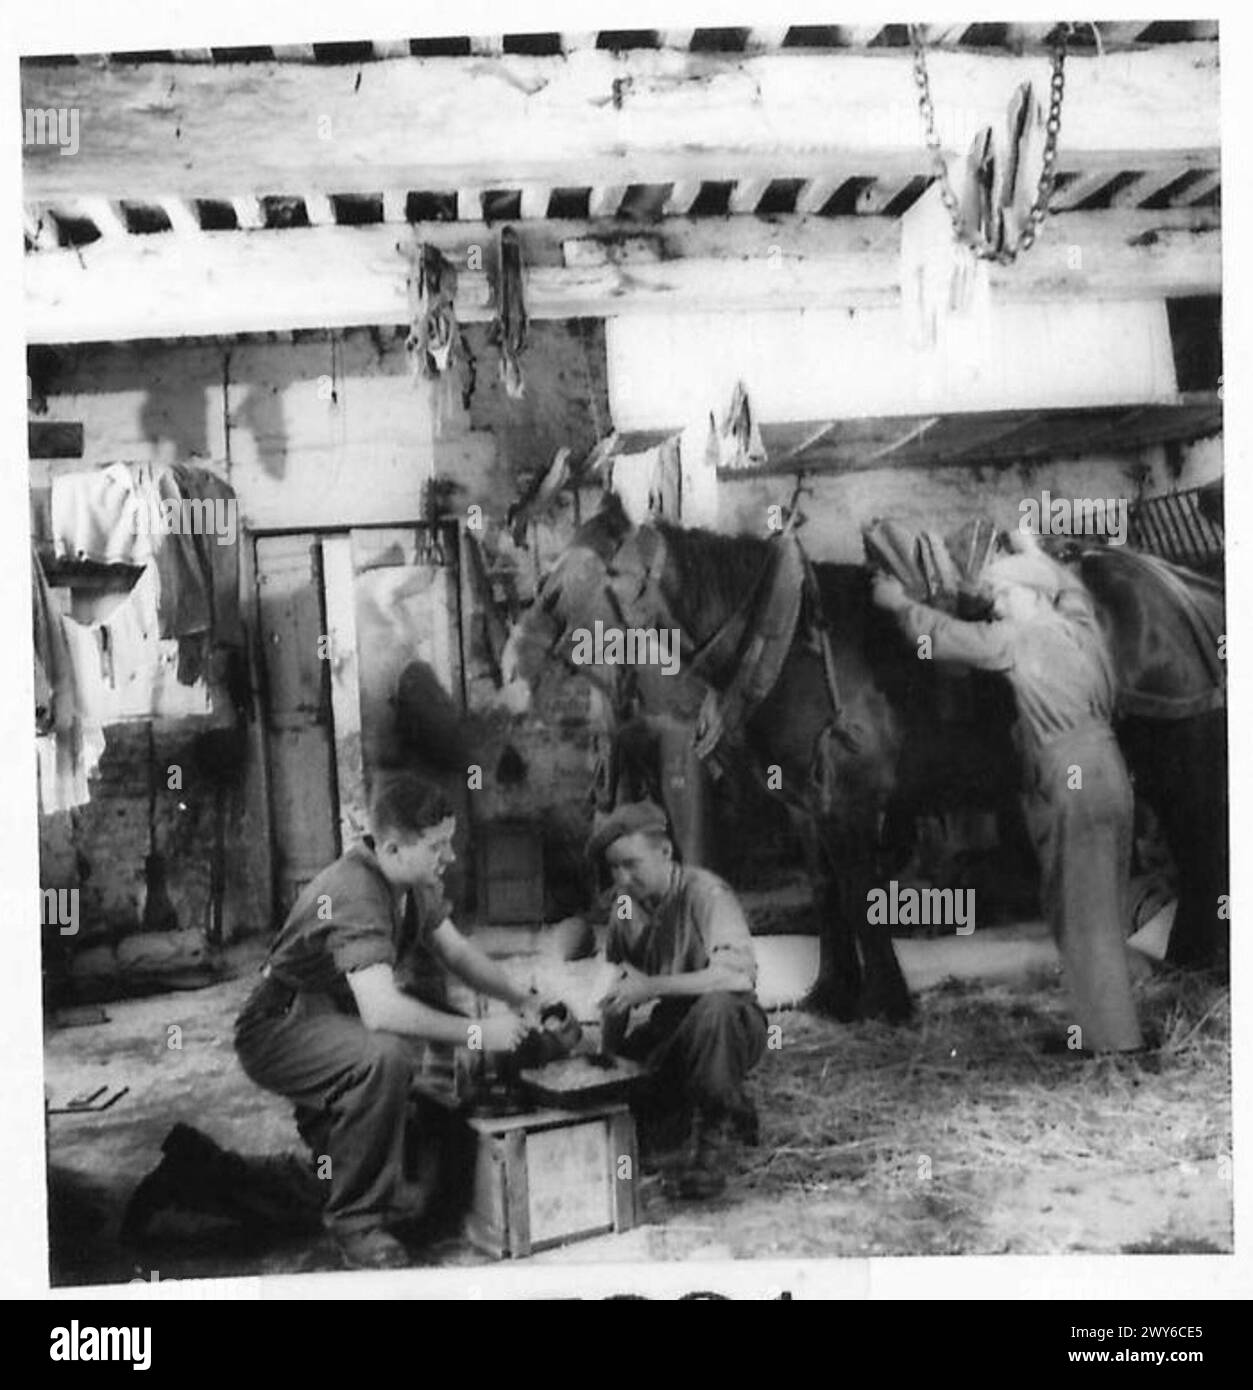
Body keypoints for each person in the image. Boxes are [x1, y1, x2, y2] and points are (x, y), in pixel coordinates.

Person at [234, 773, 537, 1270]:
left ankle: (205, 1171)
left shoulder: (410, 882)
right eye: (438, 846)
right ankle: (357, 1224)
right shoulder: (354, 889)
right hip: (278, 1026)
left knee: (340, 1173)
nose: (452, 858)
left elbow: (457, 951)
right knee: (385, 1057)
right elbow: (381, 1011)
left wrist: (519, 997)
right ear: (393, 849)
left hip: (329, 1013)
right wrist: (482, 1033)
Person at [872, 533, 1143, 1054]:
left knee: (1080, 916)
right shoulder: (1080, 629)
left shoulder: (1016, 641)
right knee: (1100, 907)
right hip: (1109, 773)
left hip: (1069, 779)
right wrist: (1033, 550)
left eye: (1005, 597)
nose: (996, 607)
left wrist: (899, 603)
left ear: (1032, 598)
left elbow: (945, 635)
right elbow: (1071, 590)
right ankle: (1105, 1031)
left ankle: (1112, 1047)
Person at [589, 799, 768, 1198]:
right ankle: (729, 1103)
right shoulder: (625, 909)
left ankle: (713, 1146)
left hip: (733, 1021)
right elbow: (618, 987)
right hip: (673, 1026)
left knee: (715, 1010)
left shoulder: (706, 892)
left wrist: (651, 987)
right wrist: (609, 1065)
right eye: (614, 868)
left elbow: (737, 976)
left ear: (665, 852)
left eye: (631, 864)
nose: (622, 878)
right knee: (646, 1118)